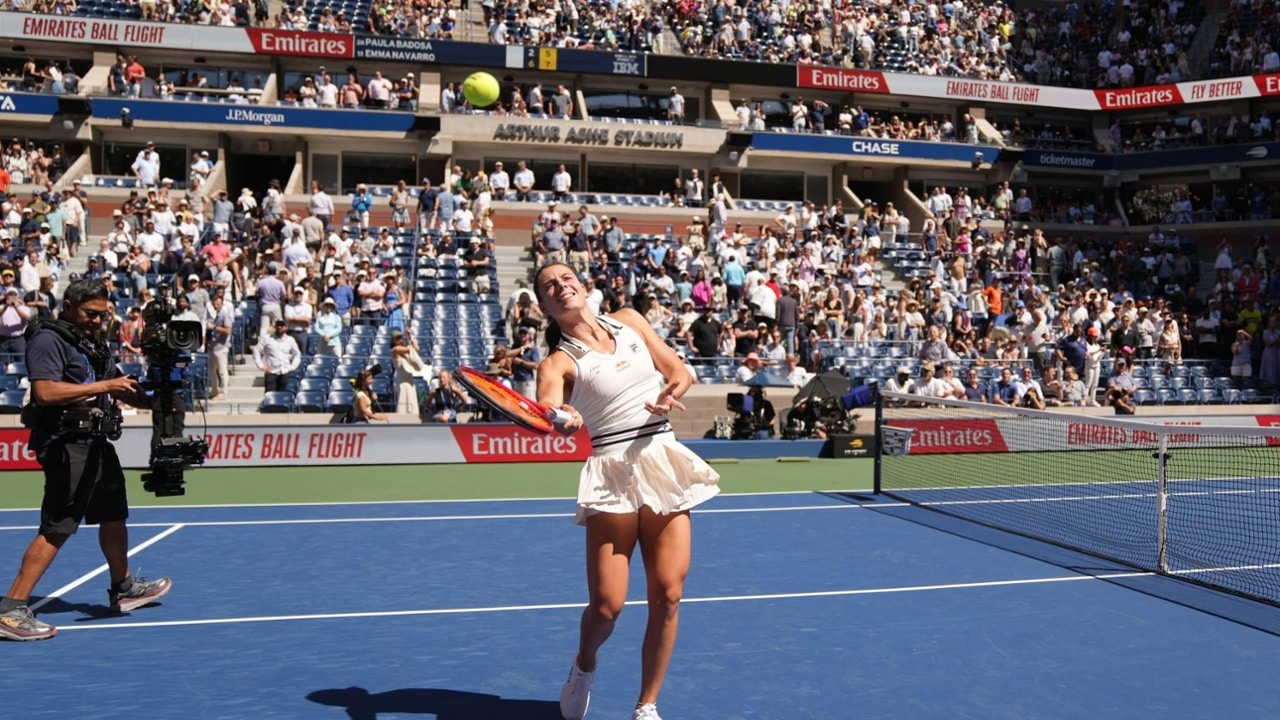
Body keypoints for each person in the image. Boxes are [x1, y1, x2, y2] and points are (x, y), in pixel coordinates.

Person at [533, 262, 719, 720]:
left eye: (566, 278)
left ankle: (647, 705)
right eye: (549, 286)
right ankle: (584, 666)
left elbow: (679, 370)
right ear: (544, 306)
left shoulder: (631, 320)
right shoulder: (557, 362)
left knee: (669, 593)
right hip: (611, 472)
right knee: (607, 606)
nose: (561, 287)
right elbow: (546, 409)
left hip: (661, 457)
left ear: (583, 284)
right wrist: (562, 418)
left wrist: (670, 390)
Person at [0, 279, 171, 641]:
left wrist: (156, 399)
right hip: (65, 443)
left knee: (113, 514)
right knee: (58, 525)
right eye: (90, 313)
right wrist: (105, 387)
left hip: (95, 442)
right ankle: (11, 609)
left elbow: (113, 382)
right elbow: (45, 392)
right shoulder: (48, 338)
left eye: (102, 314)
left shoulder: (90, 342)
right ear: (69, 306)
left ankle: (122, 587)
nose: (97, 320)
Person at [252, 319, 301, 393]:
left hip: (284, 371)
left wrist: (292, 367)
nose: (280, 327)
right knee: (270, 396)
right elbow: (256, 350)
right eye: (278, 325)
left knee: (283, 396)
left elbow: (297, 354)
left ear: (286, 327)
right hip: (271, 372)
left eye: (282, 325)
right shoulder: (267, 338)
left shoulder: (290, 340)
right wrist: (261, 365)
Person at [390, 329, 425, 415]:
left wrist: (410, 336)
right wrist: (411, 345)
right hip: (402, 381)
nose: (399, 340)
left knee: (412, 403)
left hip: (409, 380)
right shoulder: (395, 350)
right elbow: (411, 350)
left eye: (400, 338)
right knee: (403, 404)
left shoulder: (406, 351)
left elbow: (416, 348)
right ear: (393, 341)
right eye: (397, 338)